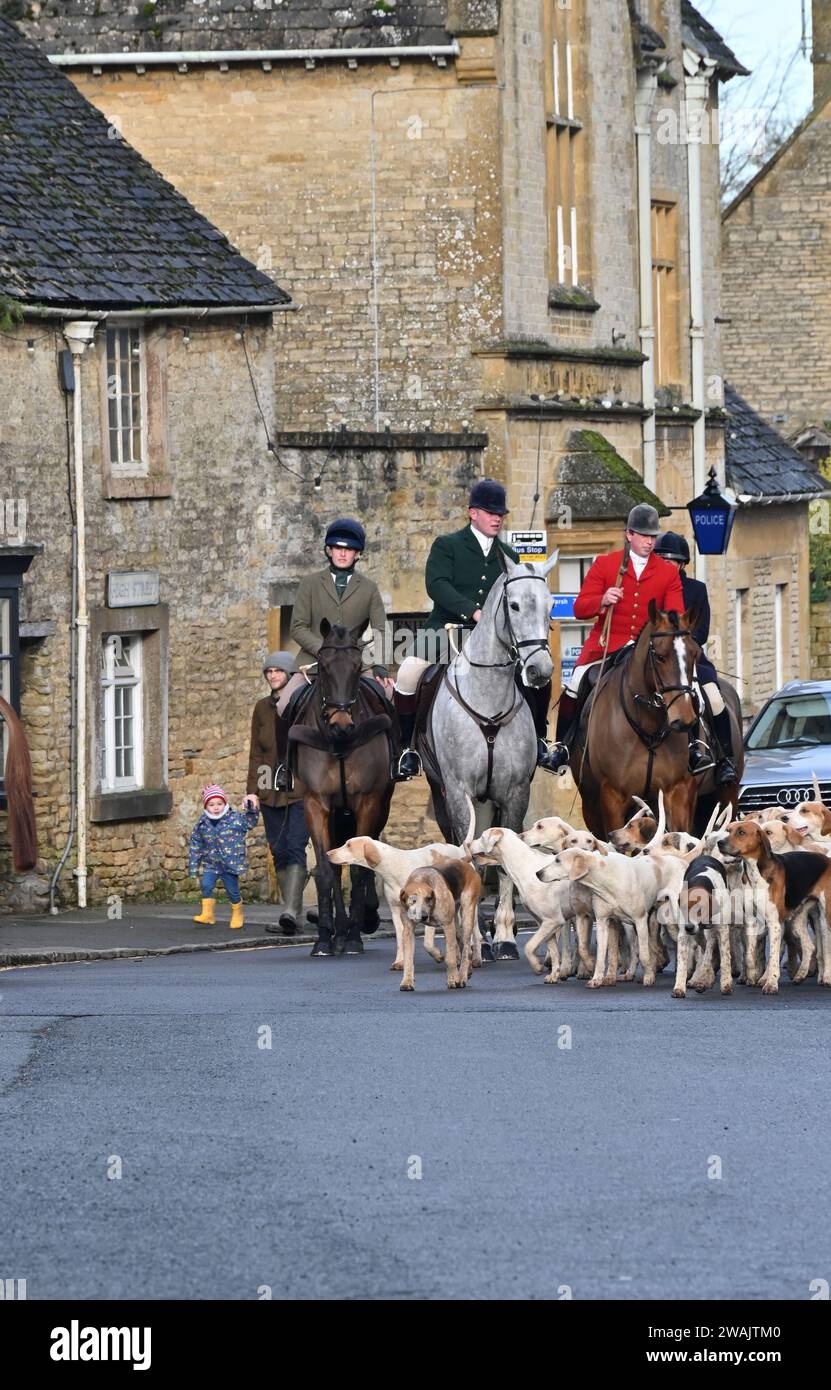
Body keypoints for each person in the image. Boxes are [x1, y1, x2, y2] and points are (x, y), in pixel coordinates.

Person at [393, 478, 561, 775]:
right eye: (491, 512)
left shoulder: (510, 557)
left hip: (496, 640)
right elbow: (436, 585)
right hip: (445, 631)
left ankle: (538, 741)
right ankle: (406, 749)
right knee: (407, 673)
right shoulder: (447, 546)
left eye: (501, 514)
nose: (497, 518)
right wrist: (472, 611)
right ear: (473, 513)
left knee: (537, 675)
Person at [549, 504, 686, 769]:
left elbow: (676, 613)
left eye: (652, 537)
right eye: (643, 535)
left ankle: (692, 747)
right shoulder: (605, 564)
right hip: (607, 646)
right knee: (575, 682)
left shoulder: (668, 572)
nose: (649, 542)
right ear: (629, 535)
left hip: (651, 650)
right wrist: (602, 599)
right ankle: (562, 748)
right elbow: (579, 608)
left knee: (684, 687)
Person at [273, 517, 396, 789]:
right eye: (337, 547)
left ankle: (398, 758)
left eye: (349, 549)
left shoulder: (368, 588)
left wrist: (380, 668)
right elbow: (298, 627)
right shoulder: (310, 583)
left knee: (389, 695)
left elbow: (381, 630)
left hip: (356, 664)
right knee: (282, 704)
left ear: (358, 554)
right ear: (328, 550)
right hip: (313, 665)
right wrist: (326, 651)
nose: (342, 553)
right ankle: (282, 766)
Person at [654, 530, 738, 785]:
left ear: (682, 564)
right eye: (660, 560)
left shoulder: (696, 590)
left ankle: (725, 760)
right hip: (657, 660)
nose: (664, 565)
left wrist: (679, 645)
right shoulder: (649, 588)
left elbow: (701, 630)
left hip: (690, 659)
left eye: (670, 561)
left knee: (714, 698)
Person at [244, 651, 311, 936]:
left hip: (299, 788)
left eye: (278, 671)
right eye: (269, 672)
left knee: (296, 846)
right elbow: (256, 753)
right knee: (279, 850)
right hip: (269, 789)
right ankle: (292, 914)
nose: (273, 676)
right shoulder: (261, 708)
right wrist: (252, 792)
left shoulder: (303, 704)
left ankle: (291, 911)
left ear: (290, 674)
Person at [188, 784, 259, 929]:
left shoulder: (235, 819)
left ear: (225, 803)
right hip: (211, 863)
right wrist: (194, 867)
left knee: (232, 891)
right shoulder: (202, 824)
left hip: (229, 863)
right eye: (212, 804)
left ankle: (237, 913)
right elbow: (196, 845)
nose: (216, 807)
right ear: (206, 806)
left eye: (219, 804)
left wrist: (252, 808)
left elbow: (250, 821)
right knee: (206, 886)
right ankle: (208, 914)